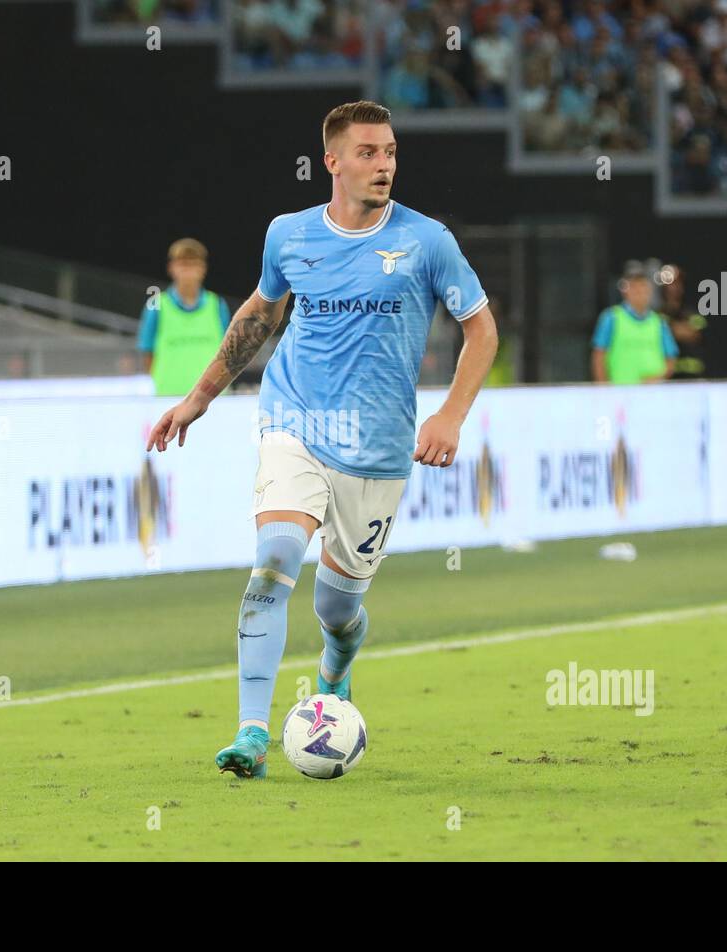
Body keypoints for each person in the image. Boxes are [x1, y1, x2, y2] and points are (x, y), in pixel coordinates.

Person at [145, 100, 498, 779]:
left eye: (390, 152)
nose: (384, 165)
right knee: (273, 563)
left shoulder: (427, 242)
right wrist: (197, 399)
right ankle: (251, 733)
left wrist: (451, 415)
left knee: (337, 607)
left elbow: (481, 329)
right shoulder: (289, 235)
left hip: (379, 450)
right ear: (332, 161)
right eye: (368, 152)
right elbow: (257, 316)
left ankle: (337, 667)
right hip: (295, 424)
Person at [137, 238, 230, 396]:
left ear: (203, 268)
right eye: (182, 264)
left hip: (212, 399)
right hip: (168, 398)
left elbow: (229, 351)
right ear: (171, 267)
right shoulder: (157, 305)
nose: (188, 270)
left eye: (193, 264)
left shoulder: (217, 304)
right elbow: (147, 352)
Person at [590, 260, 677, 384]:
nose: (639, 291)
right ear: (625, 290)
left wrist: (657, 378)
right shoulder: (611, 318)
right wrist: (604, 389)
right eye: (634, 286)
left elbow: (670, 359)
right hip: (620, 395)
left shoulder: (659, 322)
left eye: (643, 286)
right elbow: (599, 357)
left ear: (650, 290)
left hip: (653, 395)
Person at [659, 263, 707, 379]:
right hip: (667, 377)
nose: (674, 288)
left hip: (693, 377)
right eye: (670, 284)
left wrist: (670, 328)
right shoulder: (657, 315)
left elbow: (695, 335)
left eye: (677, 283)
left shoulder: (694, 314)